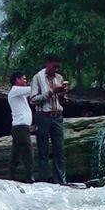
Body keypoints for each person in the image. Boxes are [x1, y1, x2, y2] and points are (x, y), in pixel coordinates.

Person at [31, 54, 68, 184]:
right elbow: (33, 99)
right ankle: (43, 181)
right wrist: (52, 91)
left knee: (60, 150)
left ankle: (60, 181)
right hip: (43, 117)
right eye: (54, 66)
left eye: (58, 67)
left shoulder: (59, 78)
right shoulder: (37, 78)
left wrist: (63, 94)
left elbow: (61, 101)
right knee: (43, 151)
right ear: (47, 63)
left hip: (57, 117)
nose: (56, 69)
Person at [7, 71, 37, 183]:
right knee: (28, 153)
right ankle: (29, 178)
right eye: (23, 78)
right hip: (21, 127)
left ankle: (11, 176)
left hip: (20, 127)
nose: (25, 81)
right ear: (17, 80)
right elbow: (32, 89)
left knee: (16, 153)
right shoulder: (15, 90)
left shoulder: (19, 94)